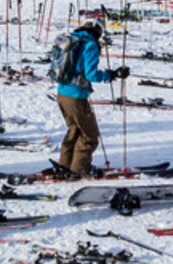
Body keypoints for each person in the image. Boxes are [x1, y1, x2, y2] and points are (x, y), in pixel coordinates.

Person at [51, 19, 125, 178]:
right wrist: (112, 74)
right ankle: (79, 169)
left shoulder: (72, 39)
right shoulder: (90, 45)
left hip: (62, 93)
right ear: (98, 31)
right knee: (89, 135)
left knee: (74, 130)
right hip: (76, 97)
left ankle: (65, 165)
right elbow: (91, 74)